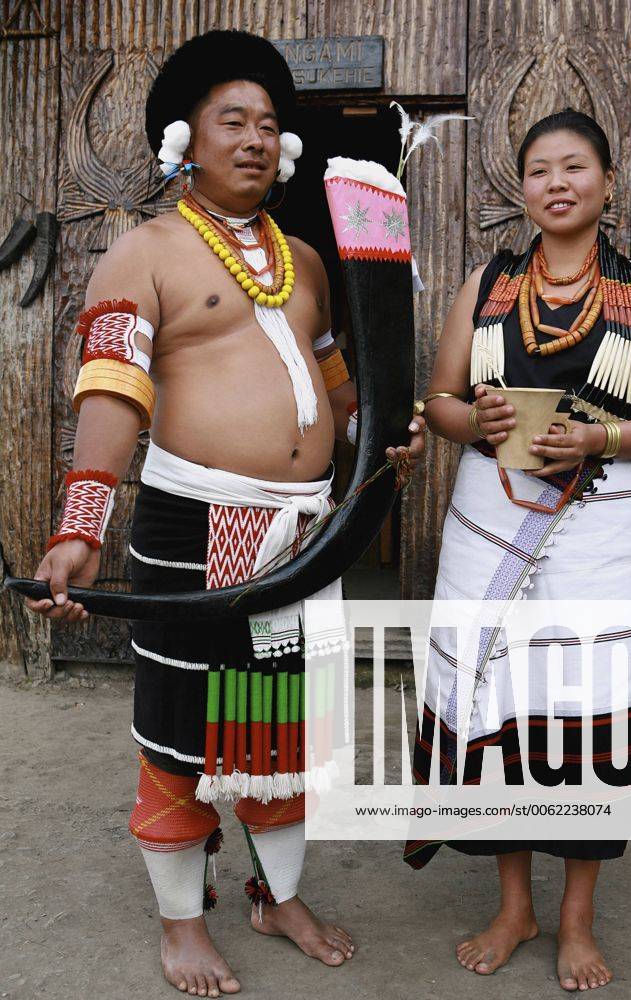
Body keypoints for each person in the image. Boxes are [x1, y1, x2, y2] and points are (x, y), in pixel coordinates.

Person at [26, 30, 425, 998]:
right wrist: (79, 529)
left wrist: (380, 439)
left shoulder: (305, 265)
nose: (255, 137)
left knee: (279, 730)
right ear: (187, 141)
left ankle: (276, 894)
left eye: (268, 124)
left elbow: (335, 391)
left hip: (307, 534)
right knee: (182, 734)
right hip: (196, 531)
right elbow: (112, 393)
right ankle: (180, 923)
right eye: (231, 120)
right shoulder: (143, 252)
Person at [404, 109, 631, 991]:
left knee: (584, 715)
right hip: (492, 522)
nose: (556, 183)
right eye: (538, 170)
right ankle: (511, 904)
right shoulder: (490, 282)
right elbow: (441, 397)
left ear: (607, 184)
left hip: (596, 534)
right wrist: (474, 417)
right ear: (520, 189)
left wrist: (601, 442)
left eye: (574, 167)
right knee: (497, 704)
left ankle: (575, 916)